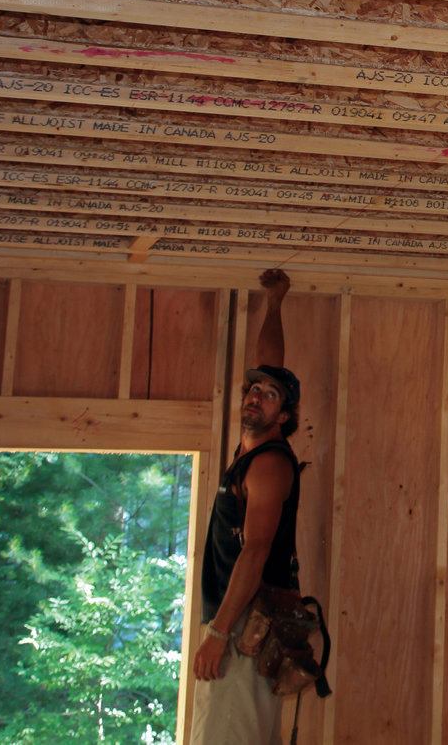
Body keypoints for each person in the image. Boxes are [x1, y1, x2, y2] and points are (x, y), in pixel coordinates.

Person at [190, 267, 303, 744]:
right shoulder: (251, 451)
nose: (256, 396)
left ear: (285, 416)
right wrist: (275, 302)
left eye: (269, 394)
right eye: (253, 389)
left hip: (243, 630)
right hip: (234, 623)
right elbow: (269, 360)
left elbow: (255, 552)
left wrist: (218, 634)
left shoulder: (270, 465)